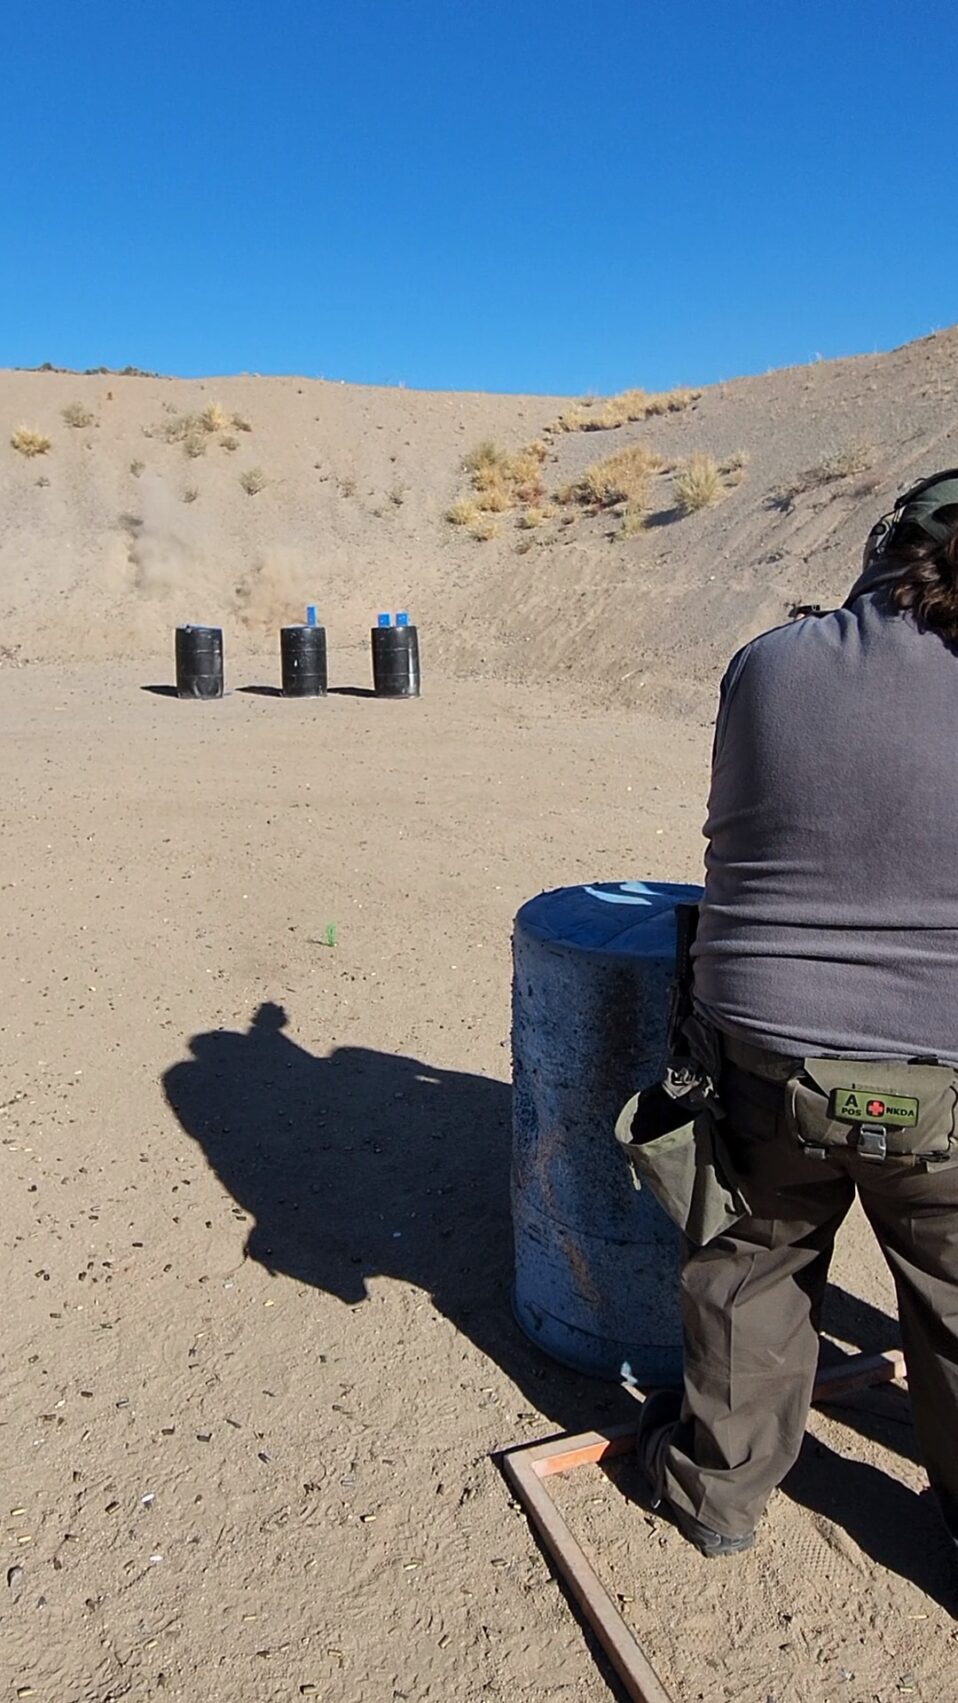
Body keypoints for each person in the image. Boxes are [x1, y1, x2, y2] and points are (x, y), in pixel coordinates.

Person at [636, 469, 958, 1559]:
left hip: (763, 1045)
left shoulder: (769, 662)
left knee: (749, 1269)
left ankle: (714, 1495)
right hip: (948, 1070)